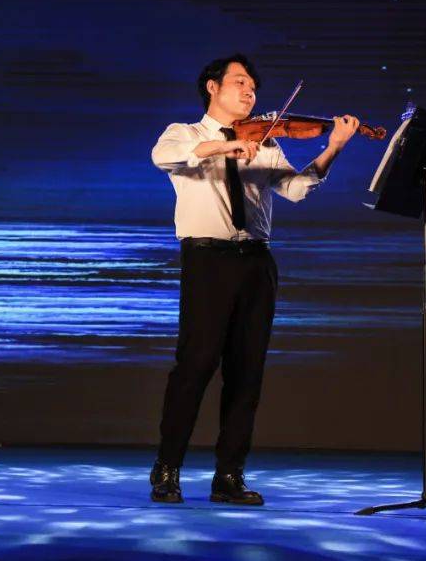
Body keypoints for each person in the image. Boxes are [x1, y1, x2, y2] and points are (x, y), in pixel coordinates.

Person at [149, 54, 360, 505]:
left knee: (247, 372)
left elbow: (296, 190)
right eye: (240, 83)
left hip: (256, 262)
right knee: (195, 366)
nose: (250, 92)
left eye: (253, 87)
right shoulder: (186, 133)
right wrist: (223, 148)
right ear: (212, 87)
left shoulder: (265, 142)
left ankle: (229, 475)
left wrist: (334, 147)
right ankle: (167, 469)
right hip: (208, 260)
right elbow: (163, 157)